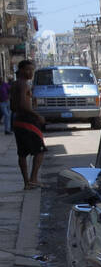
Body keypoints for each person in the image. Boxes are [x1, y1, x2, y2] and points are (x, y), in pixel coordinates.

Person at [11, 60, 46, 190]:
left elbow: (13, 106)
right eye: (27, 69)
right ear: (20, 70)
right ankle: (34, 179)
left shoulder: (14, 84)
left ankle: (27, 183)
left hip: (17, 121)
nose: (30, 72)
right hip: (27, 121)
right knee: (40, 151)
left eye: (32, 70)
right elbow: (22, 104)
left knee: (22, 153)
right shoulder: (24, 84)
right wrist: (37, 116)